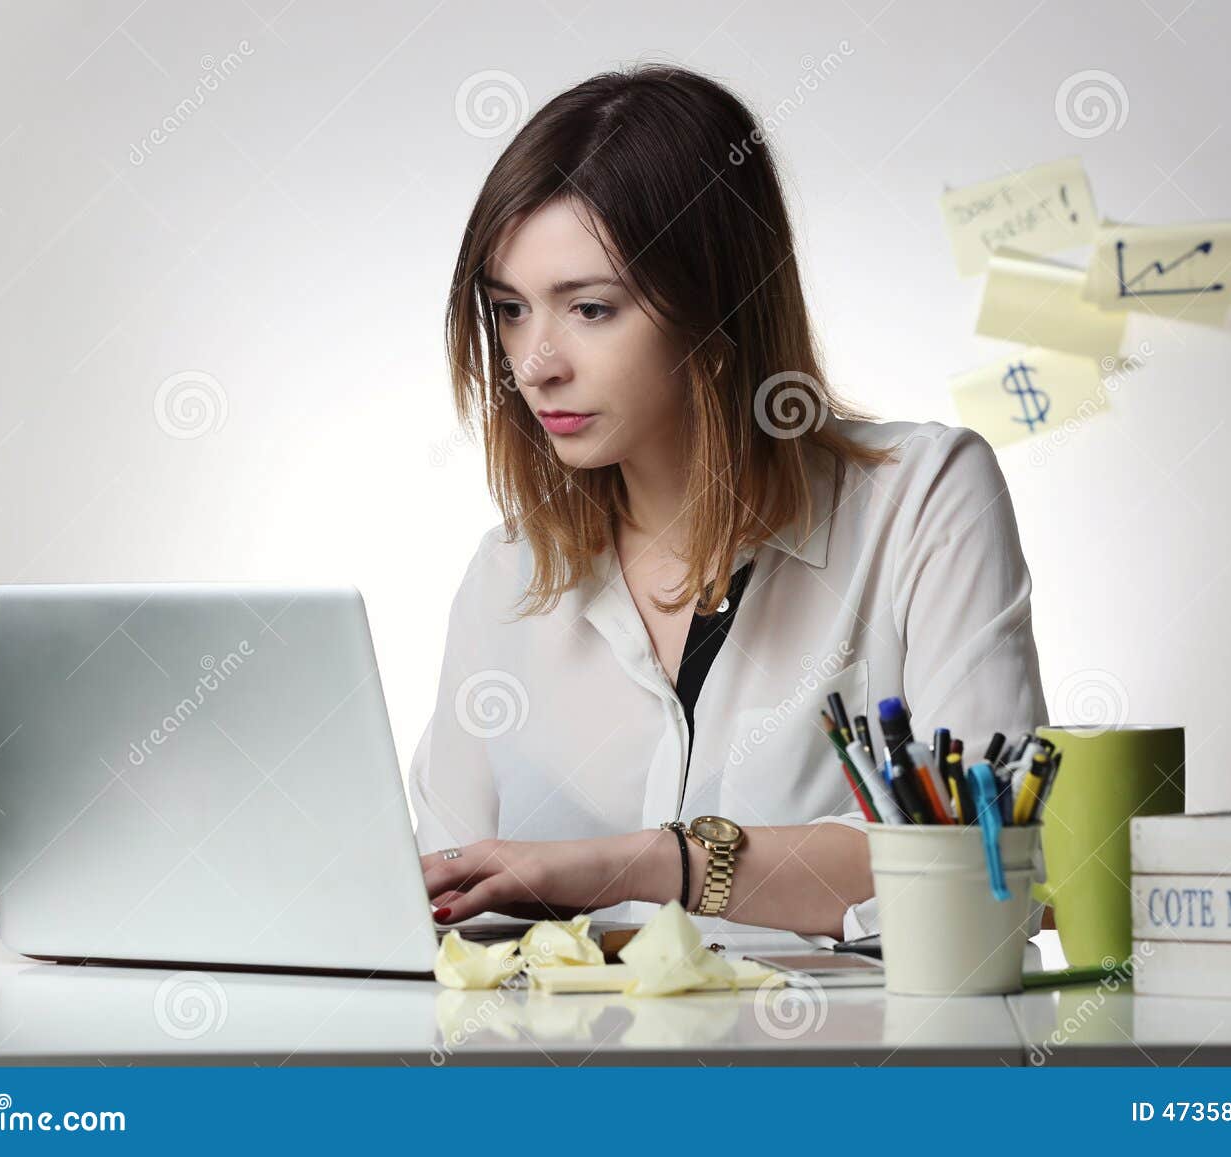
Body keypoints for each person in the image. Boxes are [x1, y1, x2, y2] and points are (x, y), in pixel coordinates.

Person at [410, 64, 1046, 941]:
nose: (536, 362)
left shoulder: (922, 498)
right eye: (511, 310)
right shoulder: (507, 573)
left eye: (590, 308)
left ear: (717, 309)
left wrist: (643, 864)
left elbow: (989, 858)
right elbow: (441, 893)